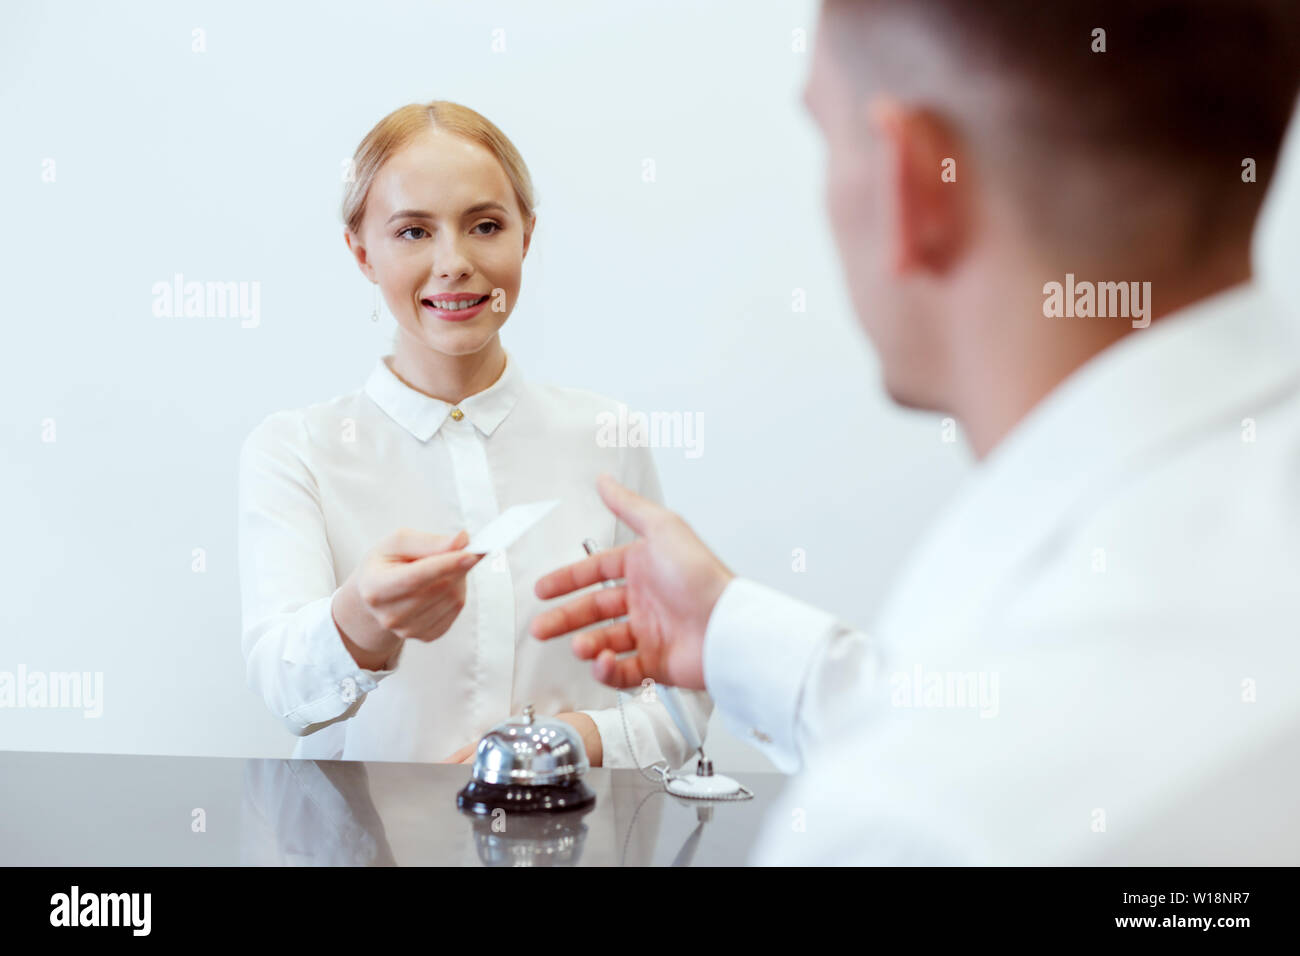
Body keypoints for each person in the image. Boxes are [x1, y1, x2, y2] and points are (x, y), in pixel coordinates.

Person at [530, 0, 1300, 863]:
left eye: (828, 139)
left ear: (915, 182)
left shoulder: (911, 817)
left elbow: (974, 770)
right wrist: (733, 632)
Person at [238, 101, 711, 767]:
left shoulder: (606, 435)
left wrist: (575, 742)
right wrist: (362, 621)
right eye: (412, 232)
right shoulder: (295, 450)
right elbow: (284, 694)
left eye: (485, 225)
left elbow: (680, 694)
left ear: (525, 236)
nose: (454, 262)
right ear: (360, 251)